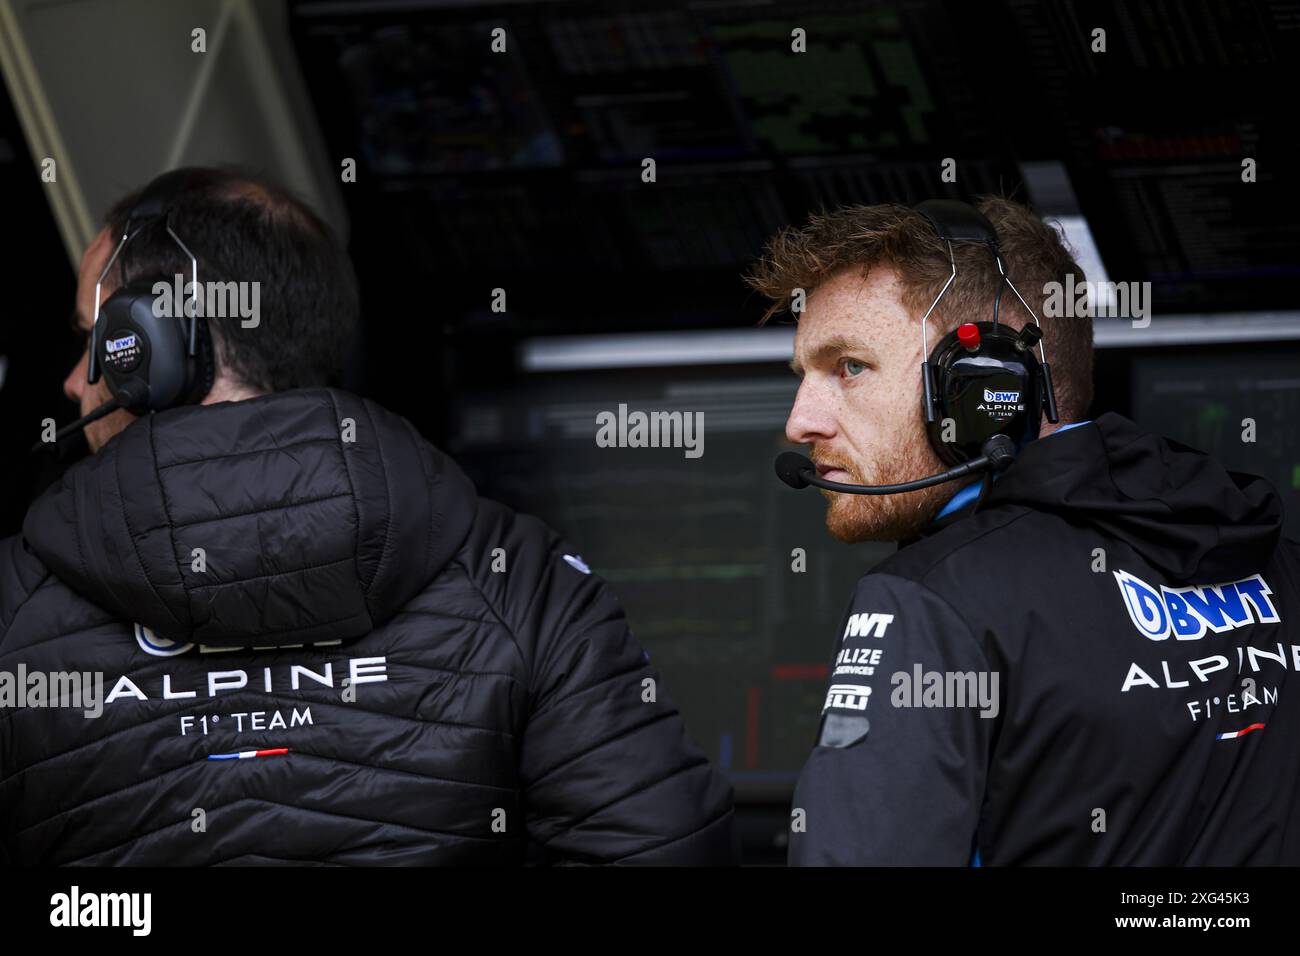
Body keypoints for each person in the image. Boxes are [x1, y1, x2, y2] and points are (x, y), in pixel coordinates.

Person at [0, 166, 736, 866]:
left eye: (93, 337)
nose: (73, 380)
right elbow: (661, 848)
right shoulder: (520, 577)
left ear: (147, 347)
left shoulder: (13, 603)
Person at [745, 196, 1300, 865]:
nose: (801, 421)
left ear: (985, 386)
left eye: (849, 367)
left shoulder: (929, 602)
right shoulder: (1281, 564)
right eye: (804, 376)